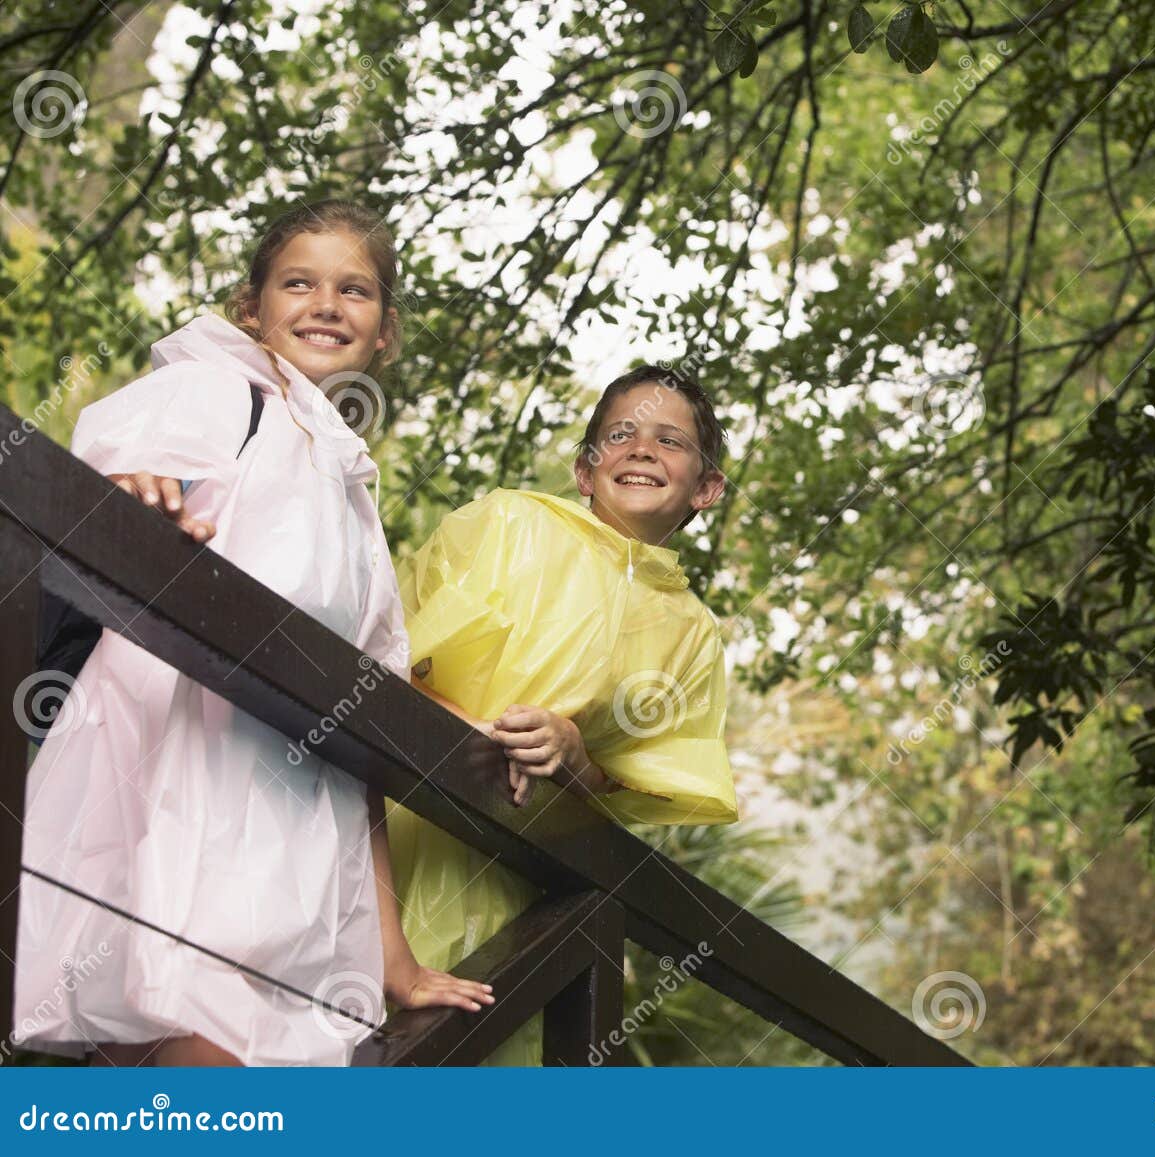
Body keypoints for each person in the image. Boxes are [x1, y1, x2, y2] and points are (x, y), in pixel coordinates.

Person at [13, 200, 492, 1067]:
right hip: (181, 776)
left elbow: (367, 737)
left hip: (295, 827)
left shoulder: (350, 490)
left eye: (355, 289)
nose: (325, 303)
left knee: (249, 1078)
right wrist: (142, 494)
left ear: (383, 331)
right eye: (297, 282)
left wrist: (394, 958)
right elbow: (108, 481)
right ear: (251, 306)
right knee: (201, 1032)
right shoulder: (215, 390)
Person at [386, 363, 739, 1065]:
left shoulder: (691, 630)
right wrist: (470, 730)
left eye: (671, 439)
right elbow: (385, 647)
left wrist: (577, 756)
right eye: (621, 433)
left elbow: (648, 779)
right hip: (400, 825)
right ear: (585, 469)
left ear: (707, 487)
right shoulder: (508, 522)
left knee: (473, 1060)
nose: (642, 448)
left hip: (525, 887)